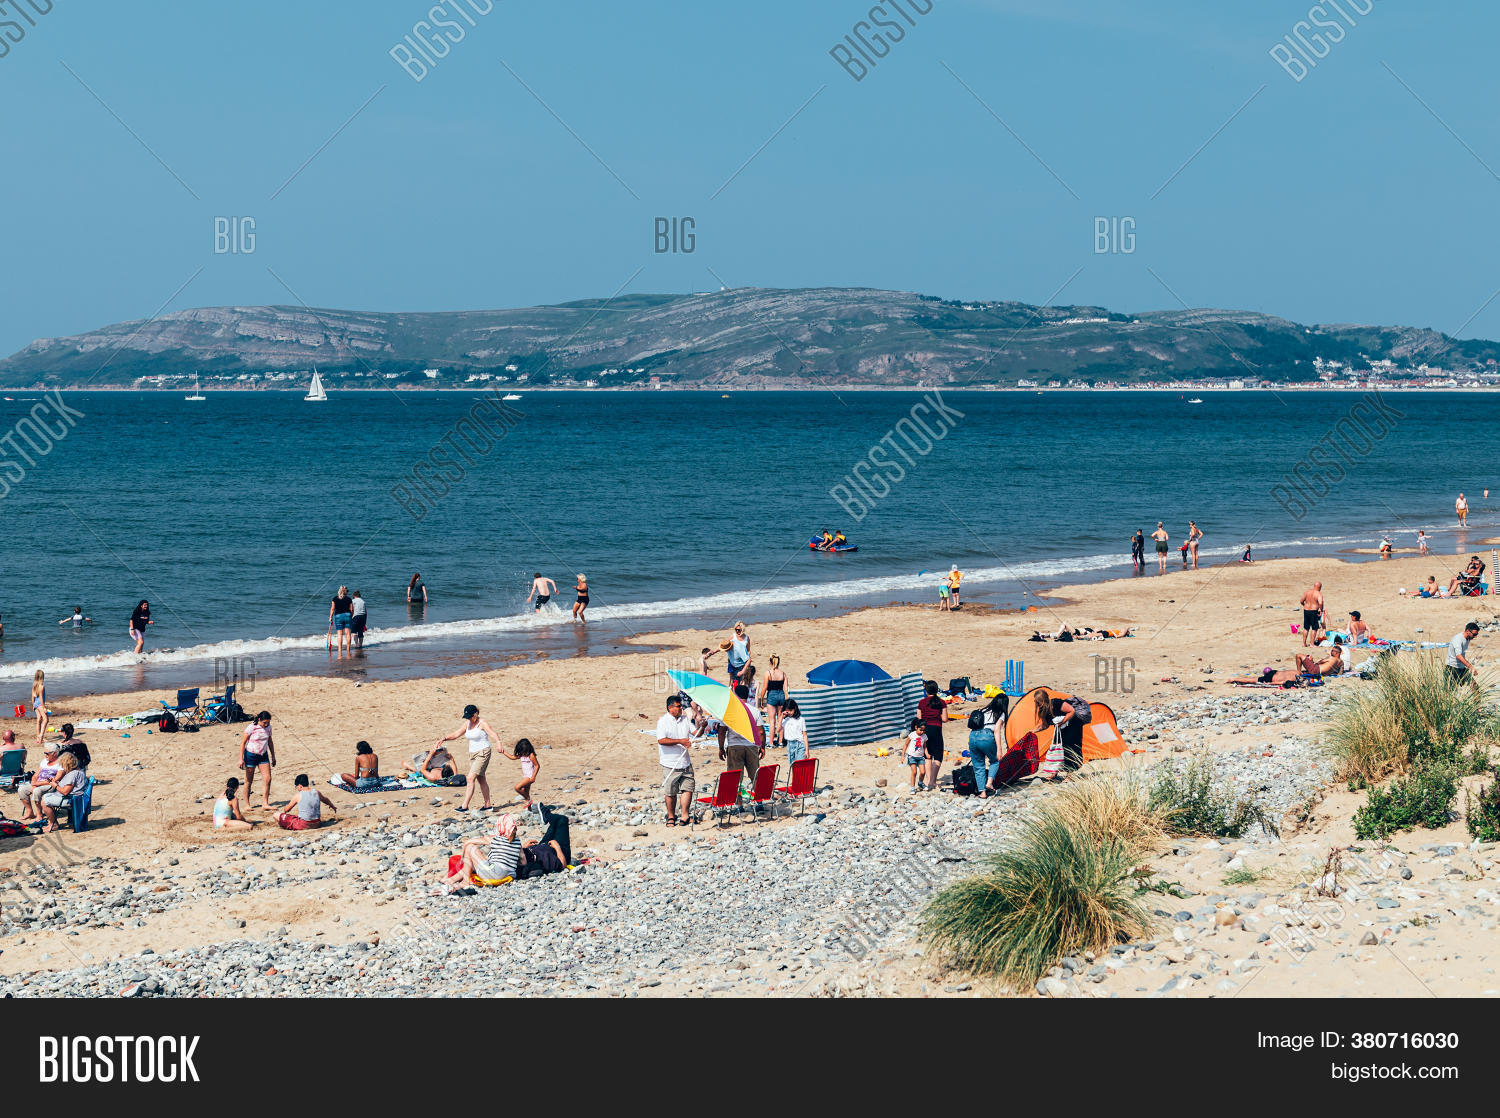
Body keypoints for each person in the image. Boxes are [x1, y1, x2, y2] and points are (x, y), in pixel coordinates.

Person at [439, 813, 523, 893]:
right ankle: (451, 880)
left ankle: (465, 881)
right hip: (508, 875)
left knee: (471, 847)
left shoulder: (495, 839)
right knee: (471, 864)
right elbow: (523, 862)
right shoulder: (518, 842)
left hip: (494, 873)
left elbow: (469, 842)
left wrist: (464, 855)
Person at [437, 704, 497, 812]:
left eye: (470, 716)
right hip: (472, 754)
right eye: (467, 717)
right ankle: (488, 805)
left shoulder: (482, 723)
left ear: (475, 714)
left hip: (483, 753)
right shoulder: (468, 723)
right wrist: (444, 739)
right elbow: (457, 734)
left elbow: (493, 733)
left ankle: (464, 806)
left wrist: (499, 743)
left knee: (470, 778)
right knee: (481, 779)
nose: (469, 718)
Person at [657, 694, 695, 827]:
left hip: (685, 761)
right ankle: (671, 816)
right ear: (670, 708)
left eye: (681, 706)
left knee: (688, 788)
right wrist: (681, 741)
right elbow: (661, 740)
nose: (681, 709)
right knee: (671, 791)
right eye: (679, 706)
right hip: (670, 762)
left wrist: (702, 726)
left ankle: (685, 815)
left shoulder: (685, 719)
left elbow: (695, 733)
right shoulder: (663, 721)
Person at [717, 684, 763, 788]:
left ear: (735, 695)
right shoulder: (755, 711)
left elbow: (722, 732)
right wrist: (762, 746)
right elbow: (761, 732)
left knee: (735, 777)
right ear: (747, 695)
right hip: (752, 746)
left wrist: (721, 748)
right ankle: (758, 800)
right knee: (755, 775)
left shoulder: (729, 711)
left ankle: (738, 802)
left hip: (734, 746)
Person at [238, 711, 276, 809]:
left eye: (268, 722)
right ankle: (247, 804)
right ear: (259, 719)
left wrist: (273, 756)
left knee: (267, 779)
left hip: (263, 755)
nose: (266, 724)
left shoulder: (268, 728)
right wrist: (240, 759)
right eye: (264, 723)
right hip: (250, 754)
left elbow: (270, 741)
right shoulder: (252, 727)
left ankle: (265, 803)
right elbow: (243, 743)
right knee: (248, 780)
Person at [39, 752, 84, 833]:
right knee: (47, 796)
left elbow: (65, 792)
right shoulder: (79, 771)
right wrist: (56, 783)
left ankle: (54, 824)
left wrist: (55, 785)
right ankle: (53, 822)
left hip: (72, 799)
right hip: (77, 798)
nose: (62, 767)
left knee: (44, 801)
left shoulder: (72, 774)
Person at [16, 742, 61, 822]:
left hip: (50, 785)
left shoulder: (60, 764)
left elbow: (56, 780)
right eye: (44, 753)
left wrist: (37, 784)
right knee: (22, 789)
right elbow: (36, 775)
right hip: (38, 784)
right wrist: (33, 783)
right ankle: (29, 812)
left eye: (47, 753)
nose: (45, 755)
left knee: (37, 791)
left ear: (54, 753)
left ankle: (39, 814)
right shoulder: (44, 761)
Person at [918, 680, 946, 792]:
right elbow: (944, 719)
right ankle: (932, 781)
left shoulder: (922, 702)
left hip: (925, 730)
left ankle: (929, 780)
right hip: (937, 729)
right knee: (938, 755)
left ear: (926, 690)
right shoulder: (941, 702)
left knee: (927, 755)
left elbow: (919, 719)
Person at [967, 710, 1000, 799]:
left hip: (973, 737)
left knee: (978, 767)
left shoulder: (972, 733)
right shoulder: (994, 715)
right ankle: (989, 783)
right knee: (994, 761)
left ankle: (982, 792)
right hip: (986, 735)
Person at [503, 737, 540, 810]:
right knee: (526, 791)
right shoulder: (522, 755)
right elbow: (512, 757)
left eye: (524, 752)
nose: (523, 753)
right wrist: (503, 752)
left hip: (529, 776)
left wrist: (533, 776)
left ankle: (528, 799)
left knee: (517, 788)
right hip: (525, 776)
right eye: (522, 752)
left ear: (528, 749)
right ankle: (529, 809)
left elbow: (537, 765)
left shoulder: (531, 755)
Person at [760, 654, 788, 746]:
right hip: (781, 695)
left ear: (770, 662)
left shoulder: (768, 673)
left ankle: (771, 742)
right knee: (780, 719)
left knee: (772, 721)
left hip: (772, 695)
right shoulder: (783, 673)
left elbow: (765, 687)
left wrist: (761, 699)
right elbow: (786, 689)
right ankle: (780, 742)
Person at [1446, 621, 1480, 686]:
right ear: (1467, 631)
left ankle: (1479, 696)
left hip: (1461, 668)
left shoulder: (1468, 638)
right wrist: (1470, 667)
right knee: (1450, 692)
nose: (1475, 637)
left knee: (1474, 685)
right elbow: (1458, 656)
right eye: (1474, 634)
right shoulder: (1458, 639)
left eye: (1476, 634)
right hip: (1452, 668)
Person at [781, 699, 809, 764]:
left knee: (799, 765)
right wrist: (781, 717)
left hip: (800, 744)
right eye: (787, 711)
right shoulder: (785, 720)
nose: (790, 713)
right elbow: (778, 729)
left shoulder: (801, 719)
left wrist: (807, 750)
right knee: (792, 766)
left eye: (791, 710)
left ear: (795, 708)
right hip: (789, 745)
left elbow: (805, 735)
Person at [903, 717, 927, 792]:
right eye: (920, 730)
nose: (922, 732)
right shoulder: (912, 735)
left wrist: (927, 754)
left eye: (923, 730)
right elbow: (906, 744)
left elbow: (925, 747)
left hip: (920, 757)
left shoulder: (924, 736)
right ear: (916, 727)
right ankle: (912, 788)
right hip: (912, 756)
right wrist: (903, 755)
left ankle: (920, 783)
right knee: (914, 772)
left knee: (923, 772)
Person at [328, 584, 354, 656]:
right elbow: (351, 609)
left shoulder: (335, 599)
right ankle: (348, 649)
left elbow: (332, 609)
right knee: (348, 634)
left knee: (340, 634)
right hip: (347, 615)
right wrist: (350, 616)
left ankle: (340, 650)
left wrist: (330, 617)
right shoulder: (349, 599)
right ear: (346, 592)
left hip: (338, 616)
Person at [1298, 581, 1325, 648]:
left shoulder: (1308, 592)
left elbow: (1301, 600)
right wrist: (1321, 610)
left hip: (1306, 610)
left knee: (1306, 628)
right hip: (1313, 611)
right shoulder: (1319, 594)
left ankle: (1304, 643)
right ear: (1320, 587)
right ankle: (1311, 644)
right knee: (1314, 628)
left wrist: (1304, 605)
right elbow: (1321, 603)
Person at [30, 669, 48, 745]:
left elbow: (32, 696)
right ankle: (41, 736)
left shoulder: (34, 686)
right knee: (46, 720)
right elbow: (41, 698)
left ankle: (38, 737)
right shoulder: (41, 686)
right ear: (42, 677)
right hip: (40, 705)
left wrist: (33, 705)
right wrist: (44, 707)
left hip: (36, 705)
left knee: (39, 720)